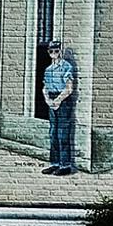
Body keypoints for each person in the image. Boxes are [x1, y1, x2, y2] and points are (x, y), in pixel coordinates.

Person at [42, 40, 78, 176]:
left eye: (56, 51)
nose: (54, 53)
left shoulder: (66, 67)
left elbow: (69, 88)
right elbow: (45, 87)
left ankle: (65, 165)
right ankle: (55, 163)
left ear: (60, 51)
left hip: (63, 100)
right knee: (53, 133)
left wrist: (58, 100)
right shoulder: (48, 69)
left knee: (62, 133)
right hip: (51, 100)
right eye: (51, 51)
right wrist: (48, 100)